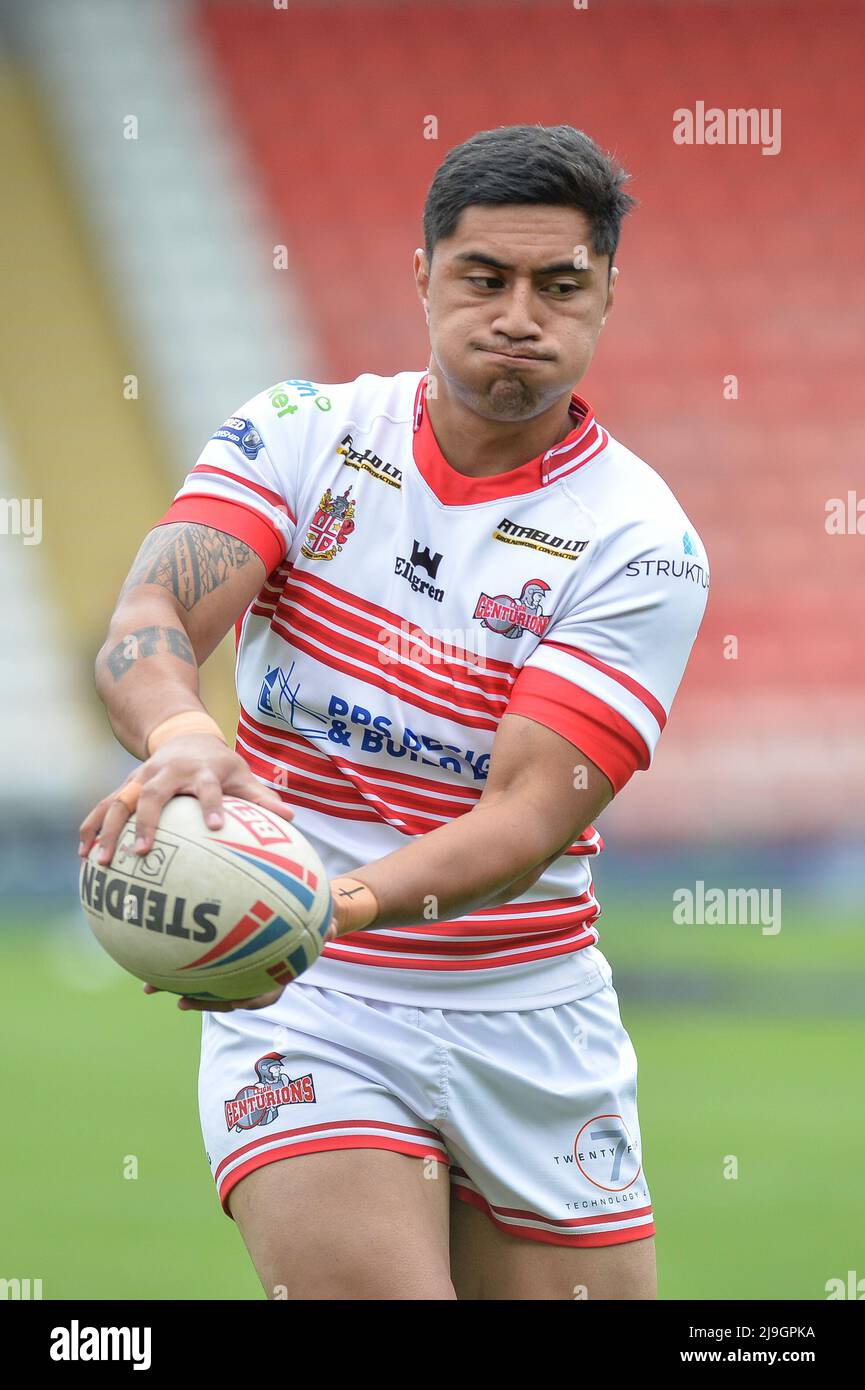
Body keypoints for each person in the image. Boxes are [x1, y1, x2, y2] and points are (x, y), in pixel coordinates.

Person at [79, 125, 709, 1300]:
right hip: (313, 1008)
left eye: (559, 286)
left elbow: (526, 820)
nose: (520, 313)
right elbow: (151, 614)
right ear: (421, 275)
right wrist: (184, 733)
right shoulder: (302, 436)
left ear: (606, 296)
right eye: (484, 277)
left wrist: (321, 906)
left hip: (528, 1014)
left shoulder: (638, 542)